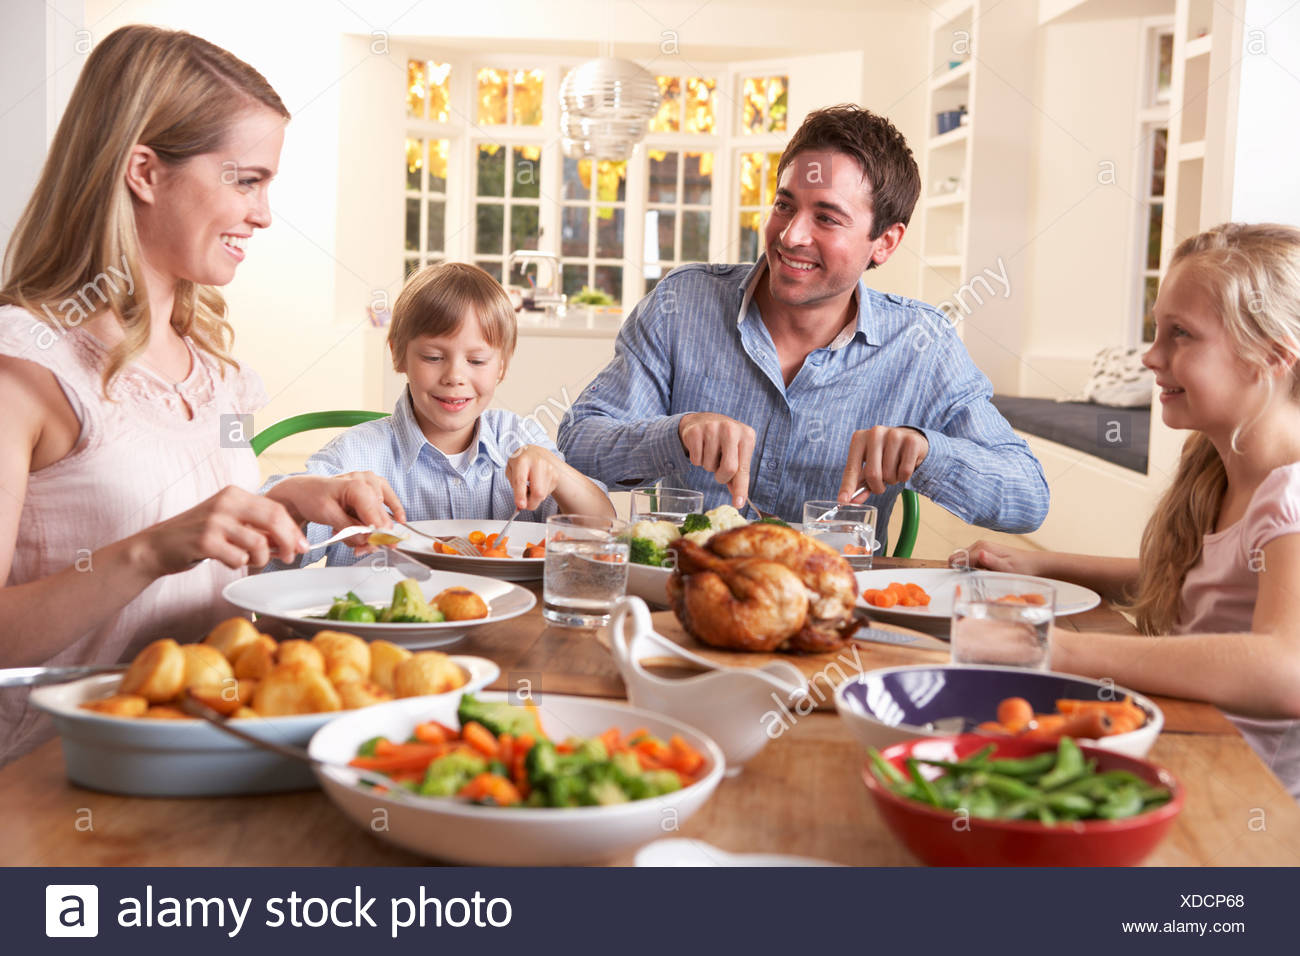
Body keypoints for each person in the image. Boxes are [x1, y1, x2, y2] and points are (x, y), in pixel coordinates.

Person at [0, 25, 400, 763]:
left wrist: (295, 499)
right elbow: (163, 535)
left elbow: (206, 513)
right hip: (56, 782)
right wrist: (151, 551)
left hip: (217, 759)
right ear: (145, 172)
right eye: (245, 180)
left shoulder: (218, 374)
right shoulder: (23, 366)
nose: (263, 214)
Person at [557, 104, 1048, 542]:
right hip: (681, 599)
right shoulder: (682, 303)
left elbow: (1028, 497)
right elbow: (579, 442)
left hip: (827, 612)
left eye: (827, 218)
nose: (791, 236)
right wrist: (676, 434)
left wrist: (928, 453)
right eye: (784, 205)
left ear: (886, 243)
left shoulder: (922, 345)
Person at [956, 223, 1300, 799]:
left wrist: (1055, 648)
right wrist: (1042, 565)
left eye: (1181, 335)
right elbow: (1205, 583)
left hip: (1246, 795)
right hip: (1188, 743)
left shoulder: (1289, 496)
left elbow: (1285, 667)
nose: (1150, 355)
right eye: (1156, 330)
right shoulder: (1218, 468)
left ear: (1269, 357)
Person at [268, 262, 614, 567]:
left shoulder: (521, 439)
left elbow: (605, 532)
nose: (454, 376)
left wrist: (559, 473)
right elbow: (268, 555)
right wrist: (302, 496)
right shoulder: (355, 455)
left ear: (502, 367)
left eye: (476, 361)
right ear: (399, 355)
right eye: (433, 357)